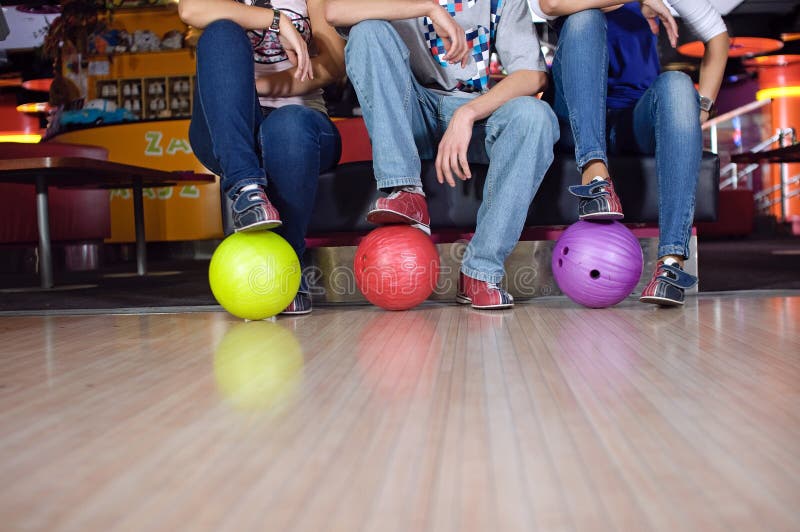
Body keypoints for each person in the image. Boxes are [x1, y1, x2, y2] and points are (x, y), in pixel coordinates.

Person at [325, 0, 559, 309]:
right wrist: (429, 8)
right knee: (368, 32)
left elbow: (533, 75)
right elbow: (334, 11)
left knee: (535, 117)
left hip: (472, 116)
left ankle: (480, 272)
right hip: (410, 112)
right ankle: (405, 190)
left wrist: (467, 113)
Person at [532, 0, 729, 306]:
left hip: (633, 121)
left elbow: (717, 35)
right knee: (585, 18)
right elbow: (552, 3)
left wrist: (700, 107)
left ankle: (671, 265)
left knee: (678, 84)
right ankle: (596, 178)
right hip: (573, 120)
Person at [179, 0, 346, 315]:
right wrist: (277, 21)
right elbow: (190, 10)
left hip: (301, 127)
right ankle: (246, 189)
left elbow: (335, 64)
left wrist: (252, 86)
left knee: (288, 124)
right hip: (228, 129)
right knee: (221, 32)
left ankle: (289, 264)